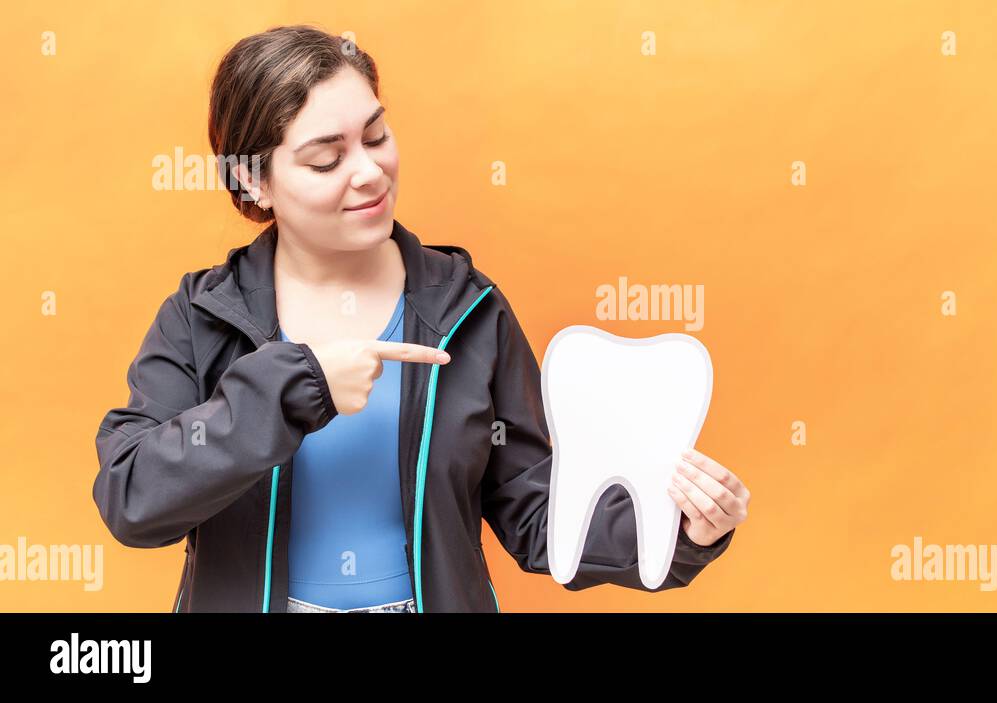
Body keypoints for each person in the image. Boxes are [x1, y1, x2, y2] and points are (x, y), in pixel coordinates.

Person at [92, 25, 749, 613]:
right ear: (255, 183)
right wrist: (298, 386)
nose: (369, 171)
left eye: (376, 136)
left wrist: (681, 528)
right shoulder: (202, 316)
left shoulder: (467, 309)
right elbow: (133, 496)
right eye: (327, 158)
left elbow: (535, 505)